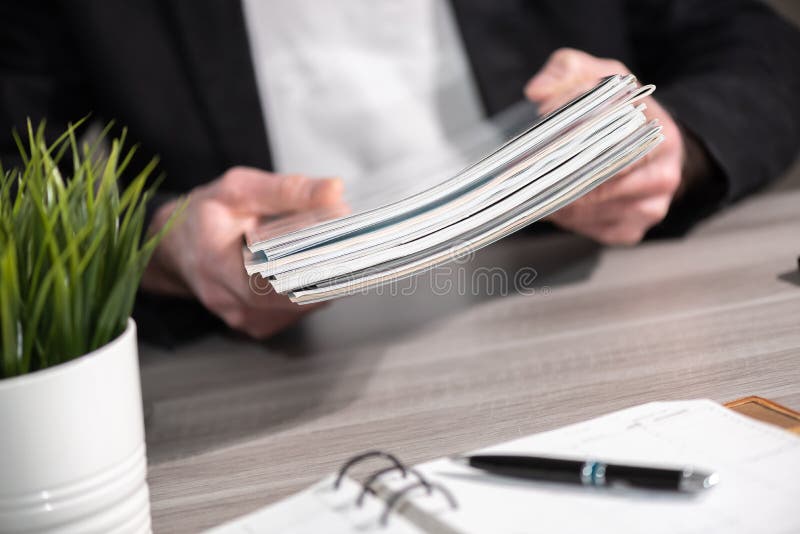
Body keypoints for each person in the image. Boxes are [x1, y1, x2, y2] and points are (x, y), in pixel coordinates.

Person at [2, 1, 799, 343]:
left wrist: (669, 144)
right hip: (265, 366)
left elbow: (756, 46)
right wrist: (167, 245)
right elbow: (13, 177)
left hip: (582, 297)